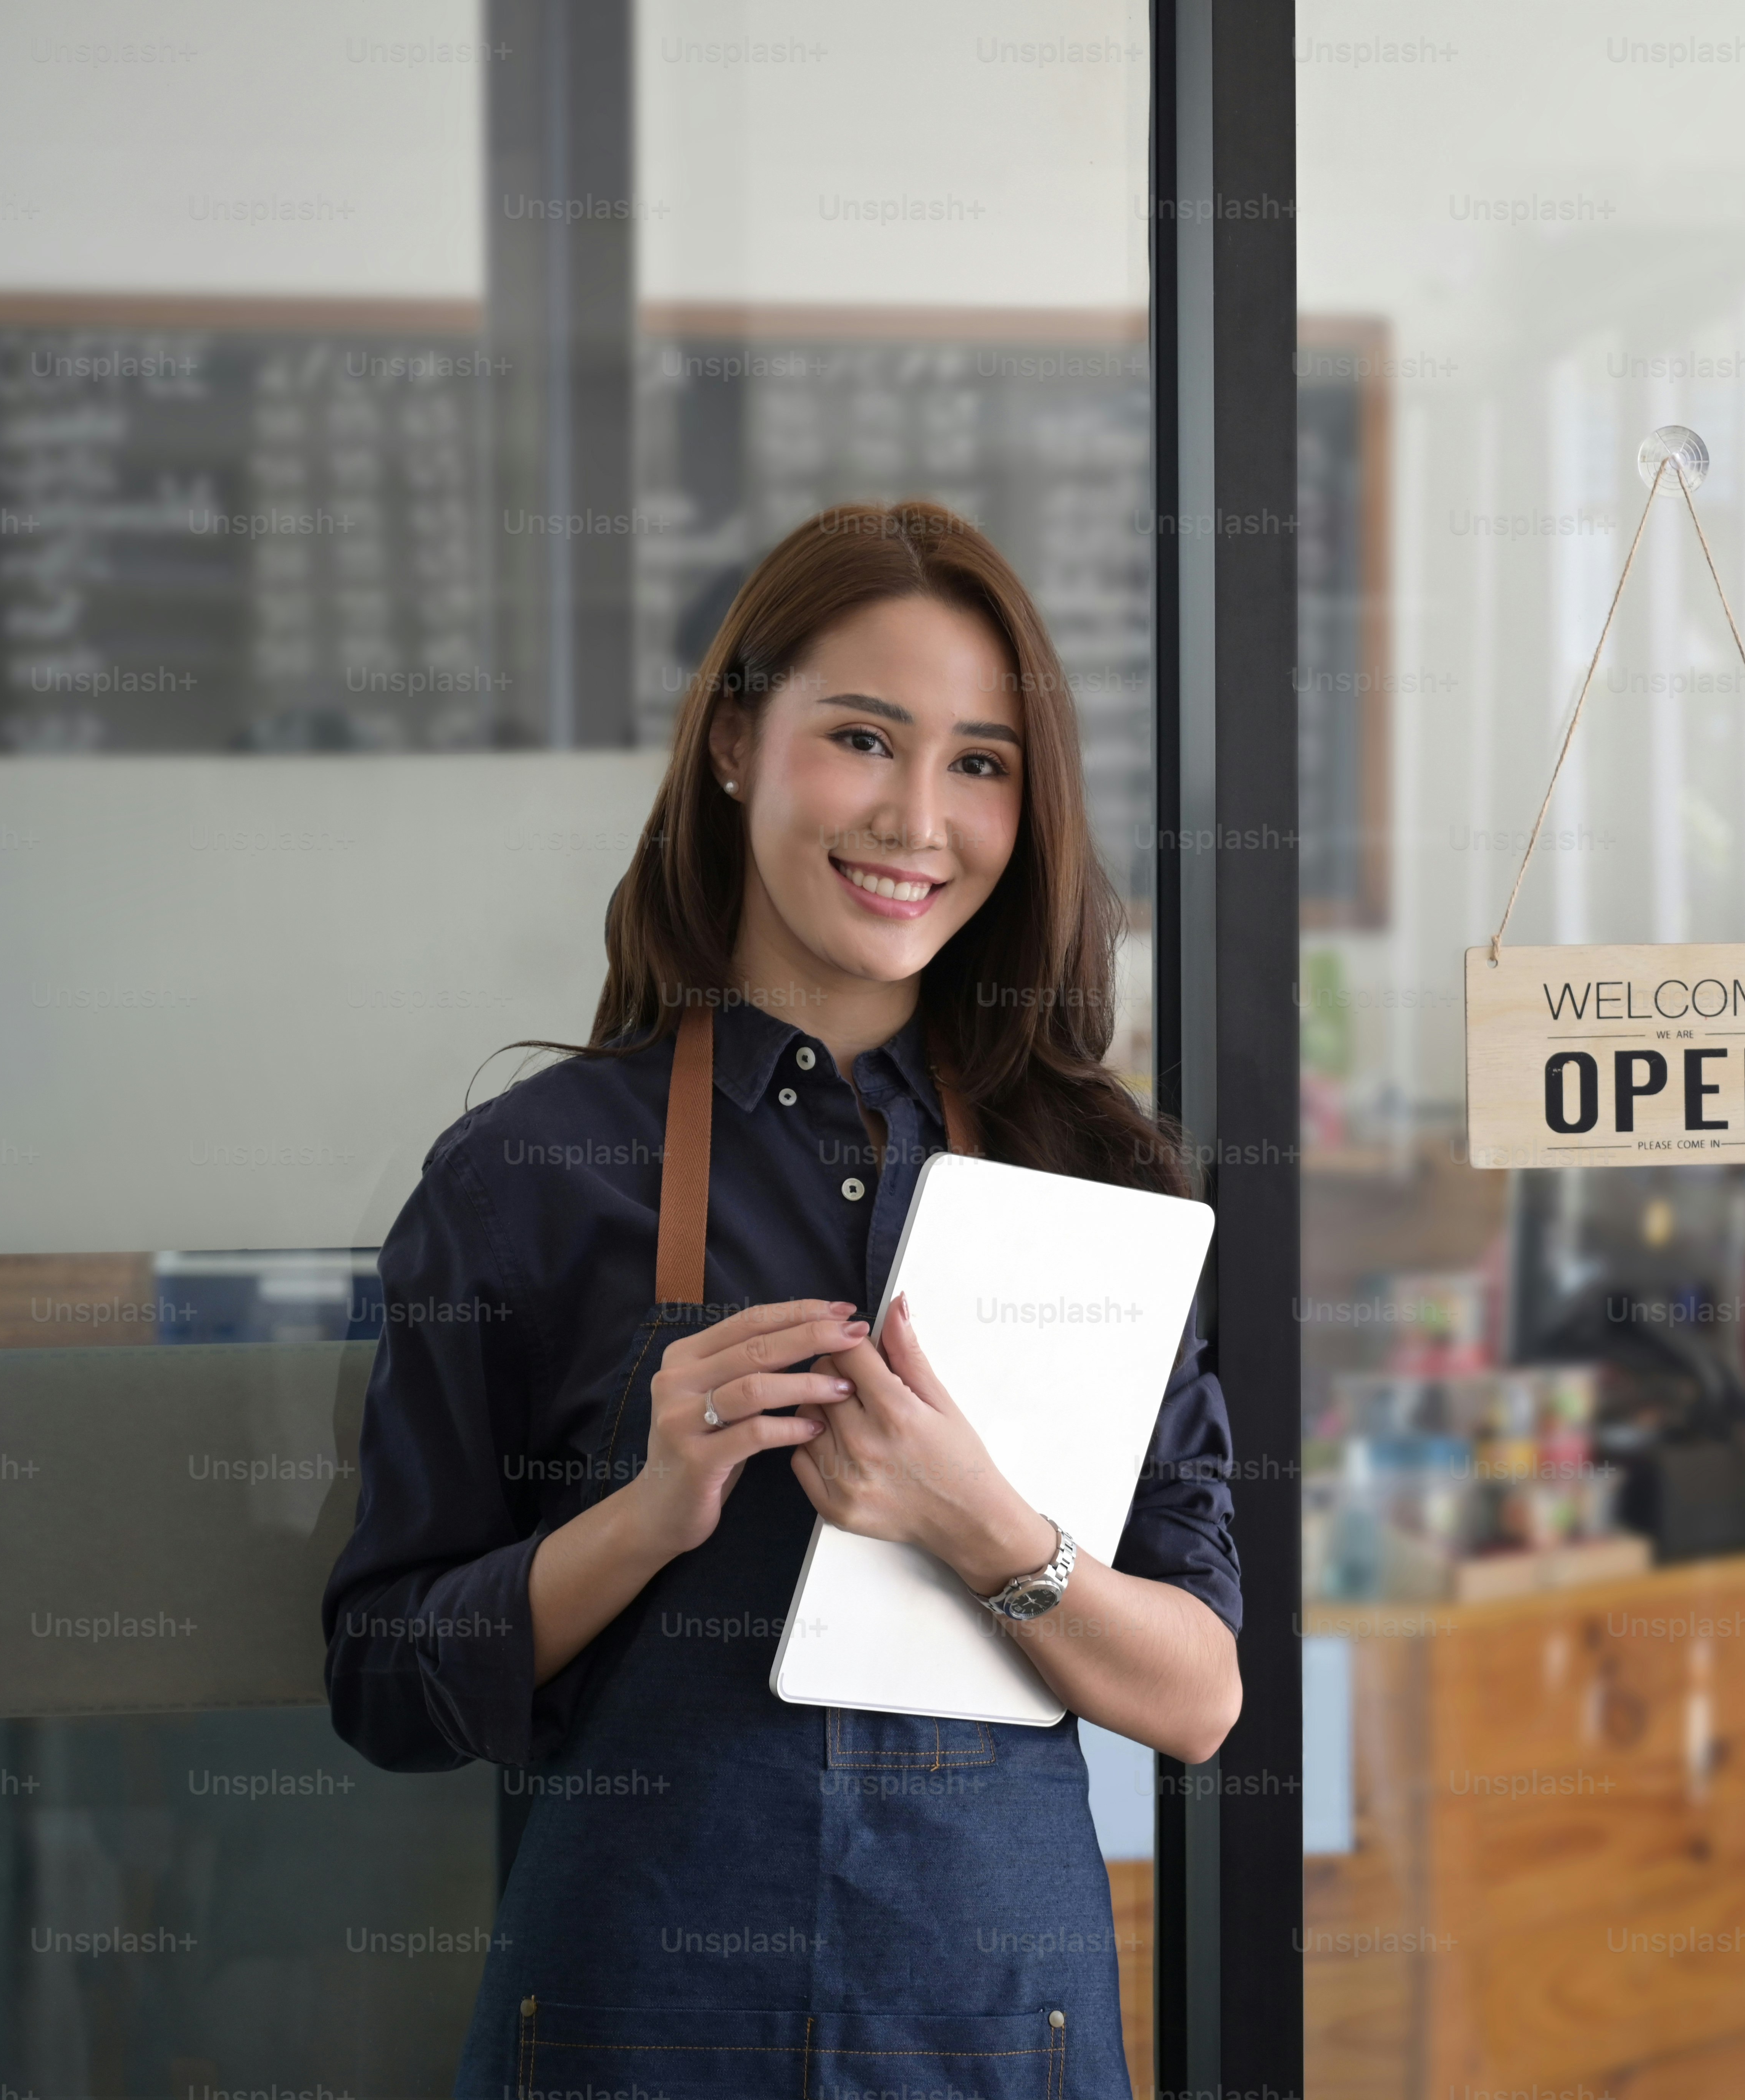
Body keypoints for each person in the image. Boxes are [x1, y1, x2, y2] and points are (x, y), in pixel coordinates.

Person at [322, 501, 1240, 2099]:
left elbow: (1199, 1693)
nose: (915, 816)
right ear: (739, 742)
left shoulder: (1095, 1184)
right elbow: (385, 1681)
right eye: (863, 738)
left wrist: (987, 1532)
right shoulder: (528, 1176)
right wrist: (649, 1510)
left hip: (989, 2034)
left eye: (980, 762)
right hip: (625, 2033)